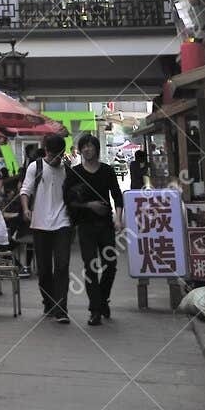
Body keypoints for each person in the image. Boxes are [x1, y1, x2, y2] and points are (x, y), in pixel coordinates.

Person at [66, 133, 124, 326]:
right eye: (83, 146)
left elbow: (117, 195)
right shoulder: (74, 173)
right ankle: (95, 310)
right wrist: (89, 206)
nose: (86, 149)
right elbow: (69, 201)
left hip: (106, 225)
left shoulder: (107, 170)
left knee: (111, 265)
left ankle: (102, 300)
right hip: (85, 226)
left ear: (96, 149)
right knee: (91, 267)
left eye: (90, 146)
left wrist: (118, 218)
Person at [20, 132, 74, 322]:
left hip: (63, 223)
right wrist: (26, 209)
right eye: (53, 156)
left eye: (60, 155)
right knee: (44, 269)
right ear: (46, 152)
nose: (56, 160)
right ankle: (48, 302)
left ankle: (61, 309)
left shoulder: (67, 169)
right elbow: (25, 190)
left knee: (62, 265)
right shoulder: (36, 167)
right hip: (40, 223)